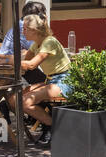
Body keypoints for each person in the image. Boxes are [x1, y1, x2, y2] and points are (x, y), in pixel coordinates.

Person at [12, 13, 71, 146]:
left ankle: (53, 127)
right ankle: (48, 126)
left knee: (24, 102)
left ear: (34, 30)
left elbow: (32, 64)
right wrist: (0, 59)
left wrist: (12, 62)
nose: (23, 31)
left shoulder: (49, 42)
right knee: (15, 98)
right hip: (51, 81)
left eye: (25, 29)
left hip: (64, 81)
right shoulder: (36, 44)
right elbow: (23, 60)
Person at [0, 0, 48, 84]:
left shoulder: (24, 25)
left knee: (45, 80)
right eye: (43, 13)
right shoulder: (25, 27)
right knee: (46, 82)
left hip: (15, 65)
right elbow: (36, 49)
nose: (45, 16)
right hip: (10, 69)